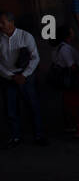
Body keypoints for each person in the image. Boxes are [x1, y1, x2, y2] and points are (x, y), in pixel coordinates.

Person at [0, 12, 45, 147]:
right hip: (7, 77)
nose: (0, 25)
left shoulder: (25, 36)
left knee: (33, 106)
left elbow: (35, 58)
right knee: (11, 109)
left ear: (11, 23)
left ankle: (39, 135)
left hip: (26, 76)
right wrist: (11, 75)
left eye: (2, 23)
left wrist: (24, 75)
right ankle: (16, 137)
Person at [50, 24, 79, 138]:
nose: (73, 33)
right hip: (71, 80)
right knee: (73, 105)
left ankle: (70, 125)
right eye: (71, 31)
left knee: (68, 104)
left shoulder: (59, 47)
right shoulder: (65, 49)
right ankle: (78, 129)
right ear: (67, 35)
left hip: (65, 80)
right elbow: (72, 66)